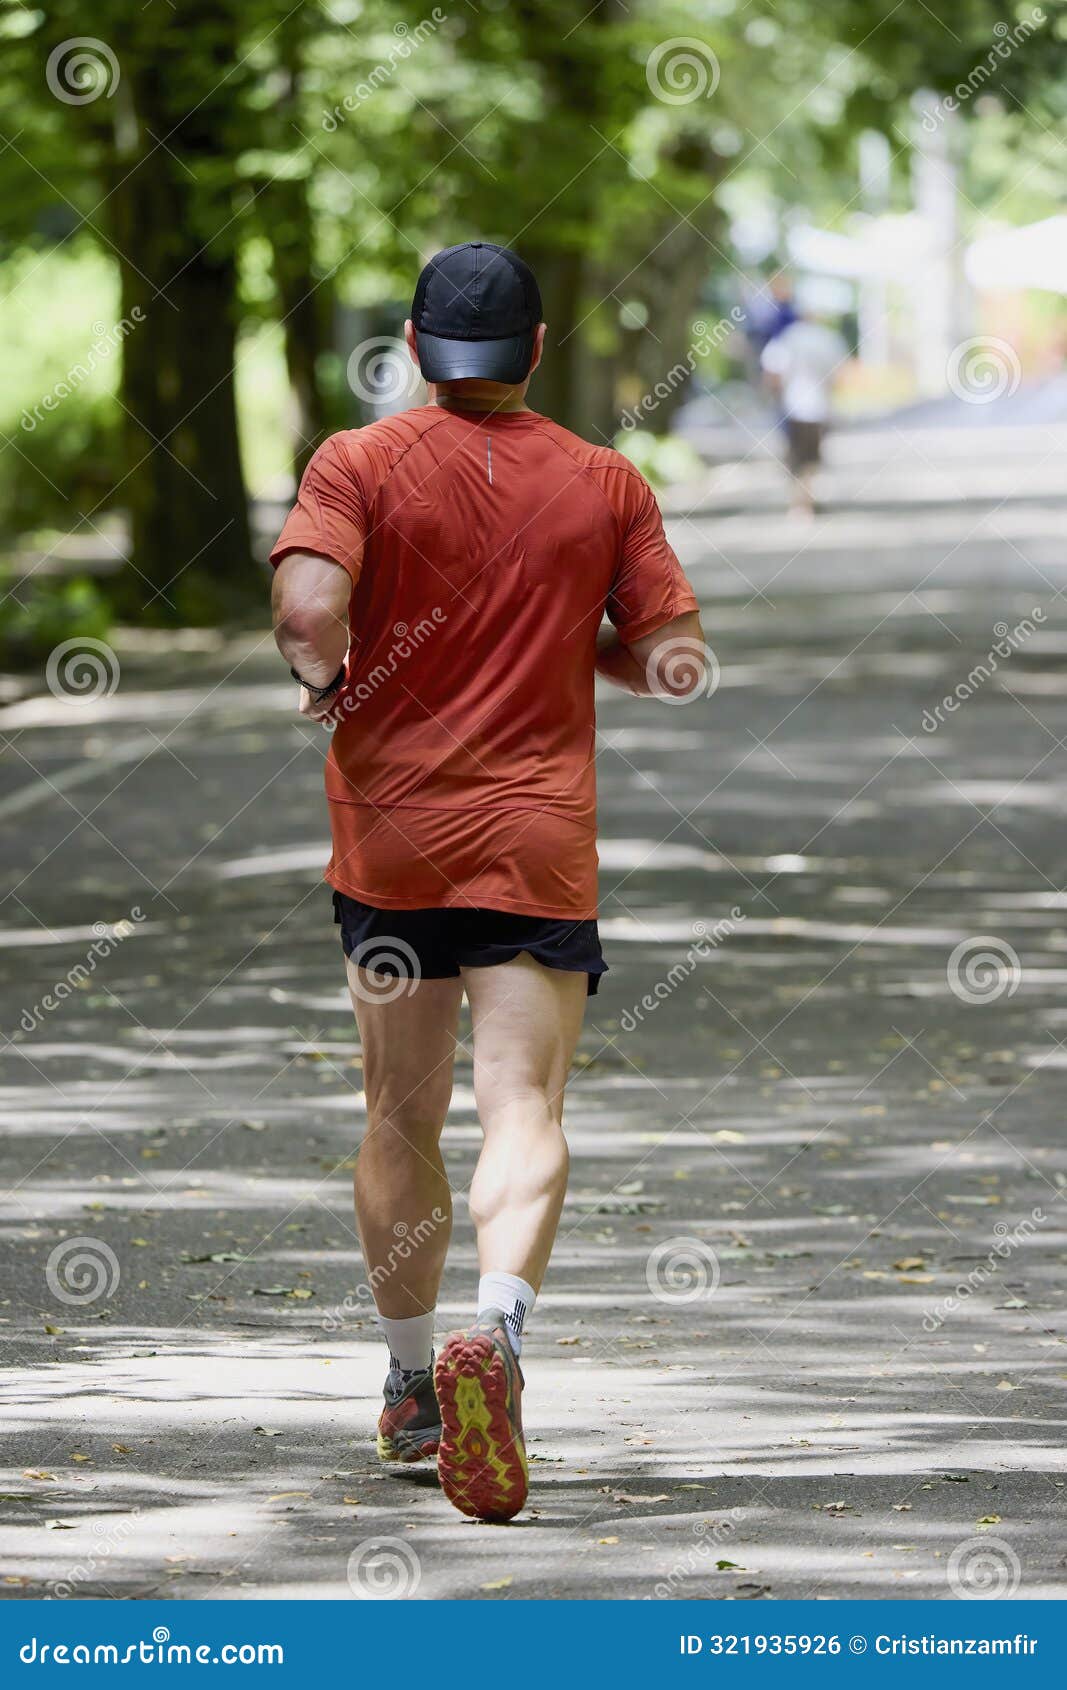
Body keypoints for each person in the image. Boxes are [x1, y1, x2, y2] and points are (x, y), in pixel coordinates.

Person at [270, 240, 705, 1523]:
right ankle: (496, 1340)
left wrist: (322, 681)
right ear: (533, 349)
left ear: (413, 346)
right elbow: (677, 661)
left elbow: (307, 611)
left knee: (398, 1114)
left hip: (390, 841)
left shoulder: (354, 464)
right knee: (522, 1106)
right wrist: (592, 646)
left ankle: (412, 1386)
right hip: (533, 845)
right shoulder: (601, 480)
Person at [760, 309, 848, 518]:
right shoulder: (828, 339)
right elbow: (839, 374)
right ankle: (805, 500)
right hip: (819, 407)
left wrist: (773, 395)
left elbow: (772, 372)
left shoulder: (787, 337)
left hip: (792, 405)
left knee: (795, 455)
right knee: (811, 456)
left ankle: (799, 502)